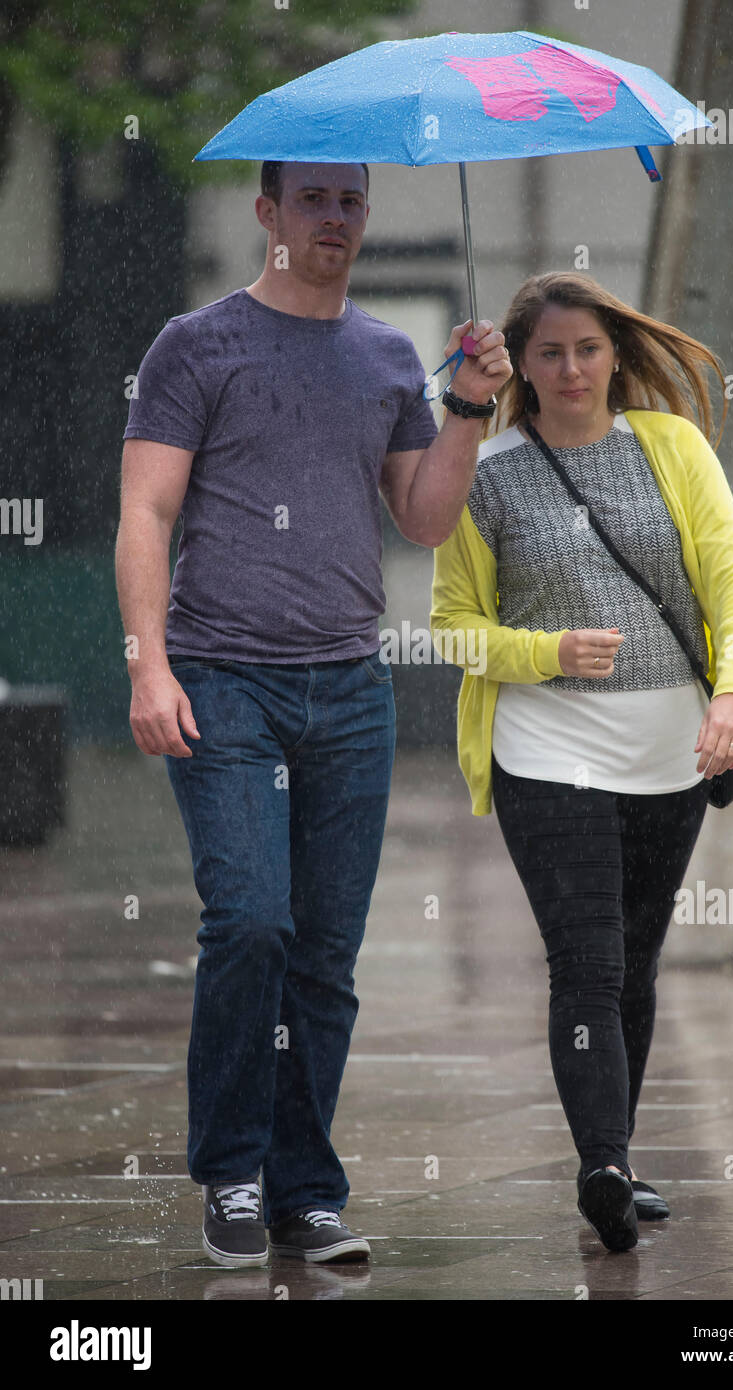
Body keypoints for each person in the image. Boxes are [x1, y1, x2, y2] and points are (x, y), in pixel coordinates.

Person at [115, 159, 512, 1266]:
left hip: (348, 688)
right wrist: (150, 668)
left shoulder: (387, 355)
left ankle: (306, 1190)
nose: (335, 218)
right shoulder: (193, 345)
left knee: (325, 954)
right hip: (221, 676)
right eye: (313, 201)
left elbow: (423, 519)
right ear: (267, 213)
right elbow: (145, 511)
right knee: (249, 921)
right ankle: (231, 1174)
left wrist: (470, 408)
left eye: (351, 202)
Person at [430, 271, 733, 1252]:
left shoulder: (671, 447)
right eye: (547, 353)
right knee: (584, 964)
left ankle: (615, 1148)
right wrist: (545, 652)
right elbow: (450, 624)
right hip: (546, 752)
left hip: (674, 752)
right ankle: (602, 1166)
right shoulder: (484, 473)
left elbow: (732, 572)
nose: (569, 368)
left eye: (585, 349)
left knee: (632, 964)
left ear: (614, 354)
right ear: (518, 367)